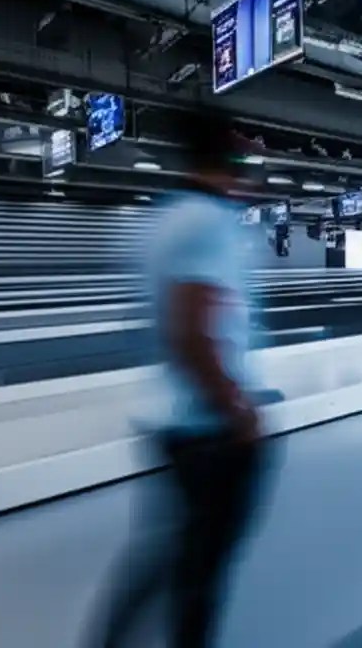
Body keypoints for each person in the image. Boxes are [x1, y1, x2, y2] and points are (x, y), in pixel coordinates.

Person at [88, 109, 273, 648]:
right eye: (244, 151)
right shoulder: (208, 221)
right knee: (201, 571)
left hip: (169, 418)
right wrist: (237, 408)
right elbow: (192, 326)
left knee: (173, 551)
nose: (251, 161)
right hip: (207, 427)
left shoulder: (165, 217)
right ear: (226, 155)